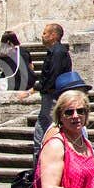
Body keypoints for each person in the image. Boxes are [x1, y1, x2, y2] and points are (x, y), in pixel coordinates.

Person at [20, 22, 71, 152]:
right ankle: (38, 159)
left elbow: (53, 75)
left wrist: (38, 89)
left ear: (53, 35)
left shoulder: (58, 52)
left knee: (49, 128)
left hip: (53, 96)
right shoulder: (55, 52)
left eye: (44, 33)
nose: (42, 36)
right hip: (50, 95)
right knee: (42, 129)